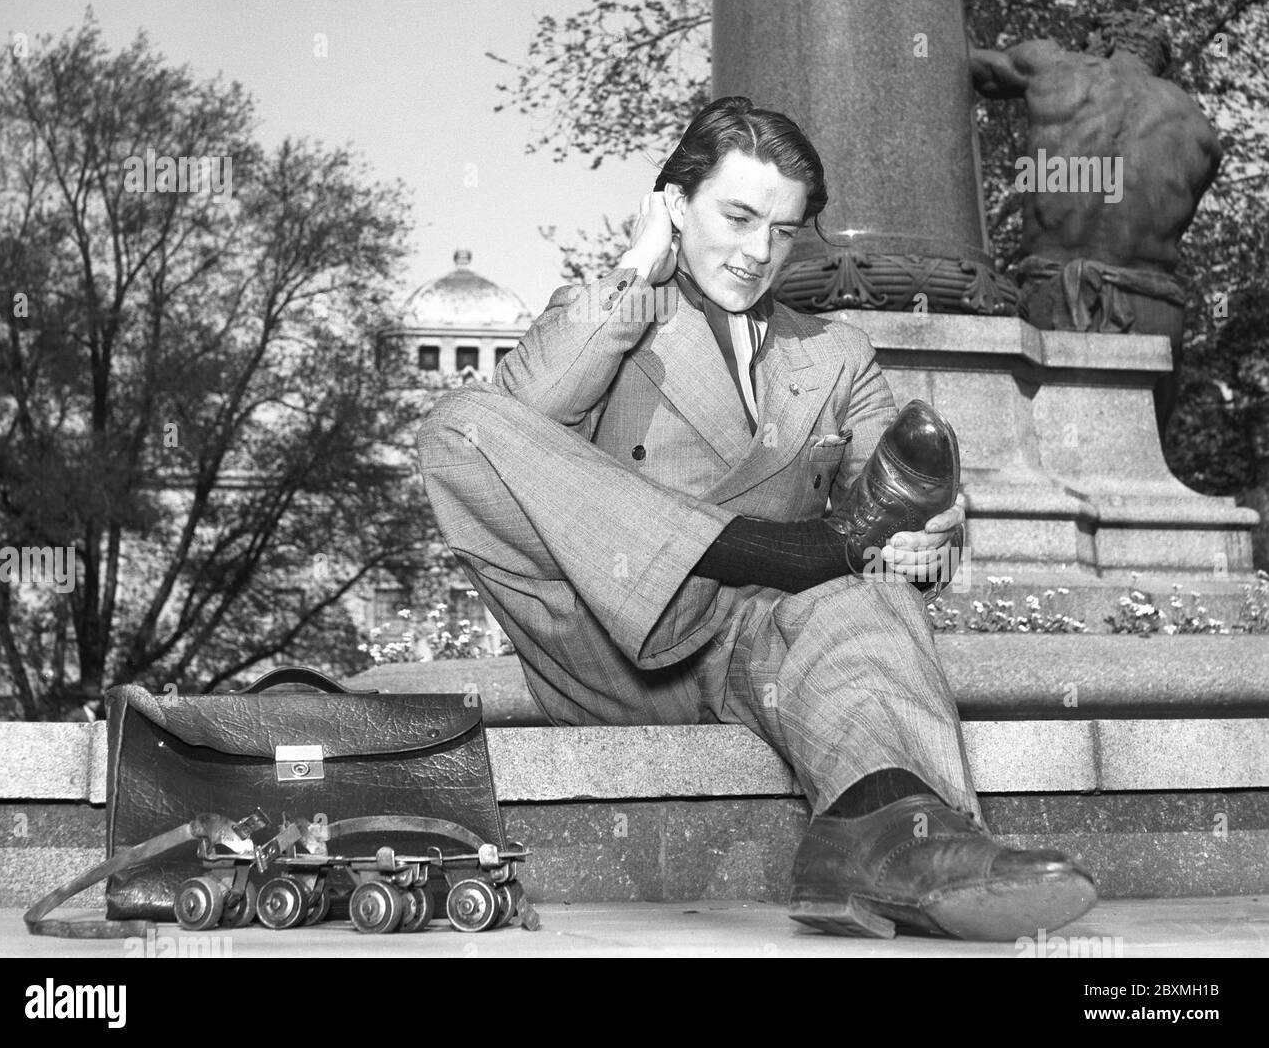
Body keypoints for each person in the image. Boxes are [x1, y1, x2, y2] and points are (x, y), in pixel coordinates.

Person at [418, 95, 1095, 940]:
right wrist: (639, 265)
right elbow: (526, 411)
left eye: (782, 230)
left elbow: (902, 487)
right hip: (617, 645)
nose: (756, 252)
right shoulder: (616, 312)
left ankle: (895, 848)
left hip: (758, 640)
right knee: (459, 423)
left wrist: (932, 534)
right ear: (675, 202)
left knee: (864, 589)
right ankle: (797, 549)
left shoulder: (836, 353)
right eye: (736, 216)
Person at [970, 12, 1223, 433]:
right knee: (1139, 467)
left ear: (1103, 39)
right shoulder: (1201, 132)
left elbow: (963, 67)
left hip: (1054, 294)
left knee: (1044, 452)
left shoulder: (1051, 67)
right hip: (1152, 311)